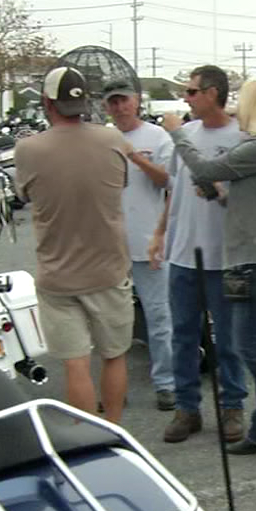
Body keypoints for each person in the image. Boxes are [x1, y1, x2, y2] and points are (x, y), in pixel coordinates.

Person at [159, 80, 256, 458]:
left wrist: (176, 132)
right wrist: (221, 195)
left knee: (249, 348)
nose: (236, 109)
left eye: (243, 103)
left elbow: (203, 166)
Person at [14, 66, 133, 423]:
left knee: (76, 364)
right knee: (114, 355)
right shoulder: (113, 141)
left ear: (48, 103)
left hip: (58, 275)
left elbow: (25, 195)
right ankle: (116, 431)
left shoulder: (28, 149)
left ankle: (88, 438)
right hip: (109, 269)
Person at [148, 65, 249, 445]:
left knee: (229, 337)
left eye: (191, 92)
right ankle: (187, 409)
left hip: (225, 257)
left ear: (212, 93)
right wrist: (160, 233)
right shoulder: (185, 135)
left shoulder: (242, 136)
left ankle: (233, 407)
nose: (185, 99)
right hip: (183, 255)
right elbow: (173, 190)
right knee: (183, 335)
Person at [103, 79, 176, 411]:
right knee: (109, 322)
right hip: (109, 245)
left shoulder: (157, 137)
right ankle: (114, 388)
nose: (119, 107)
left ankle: (166, 383)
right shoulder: (101, 138)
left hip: (150, 243)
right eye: (113, 102)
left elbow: (167, 181)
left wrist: (134, 156)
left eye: (124, 101)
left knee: (159, 318)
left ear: (137, 102)